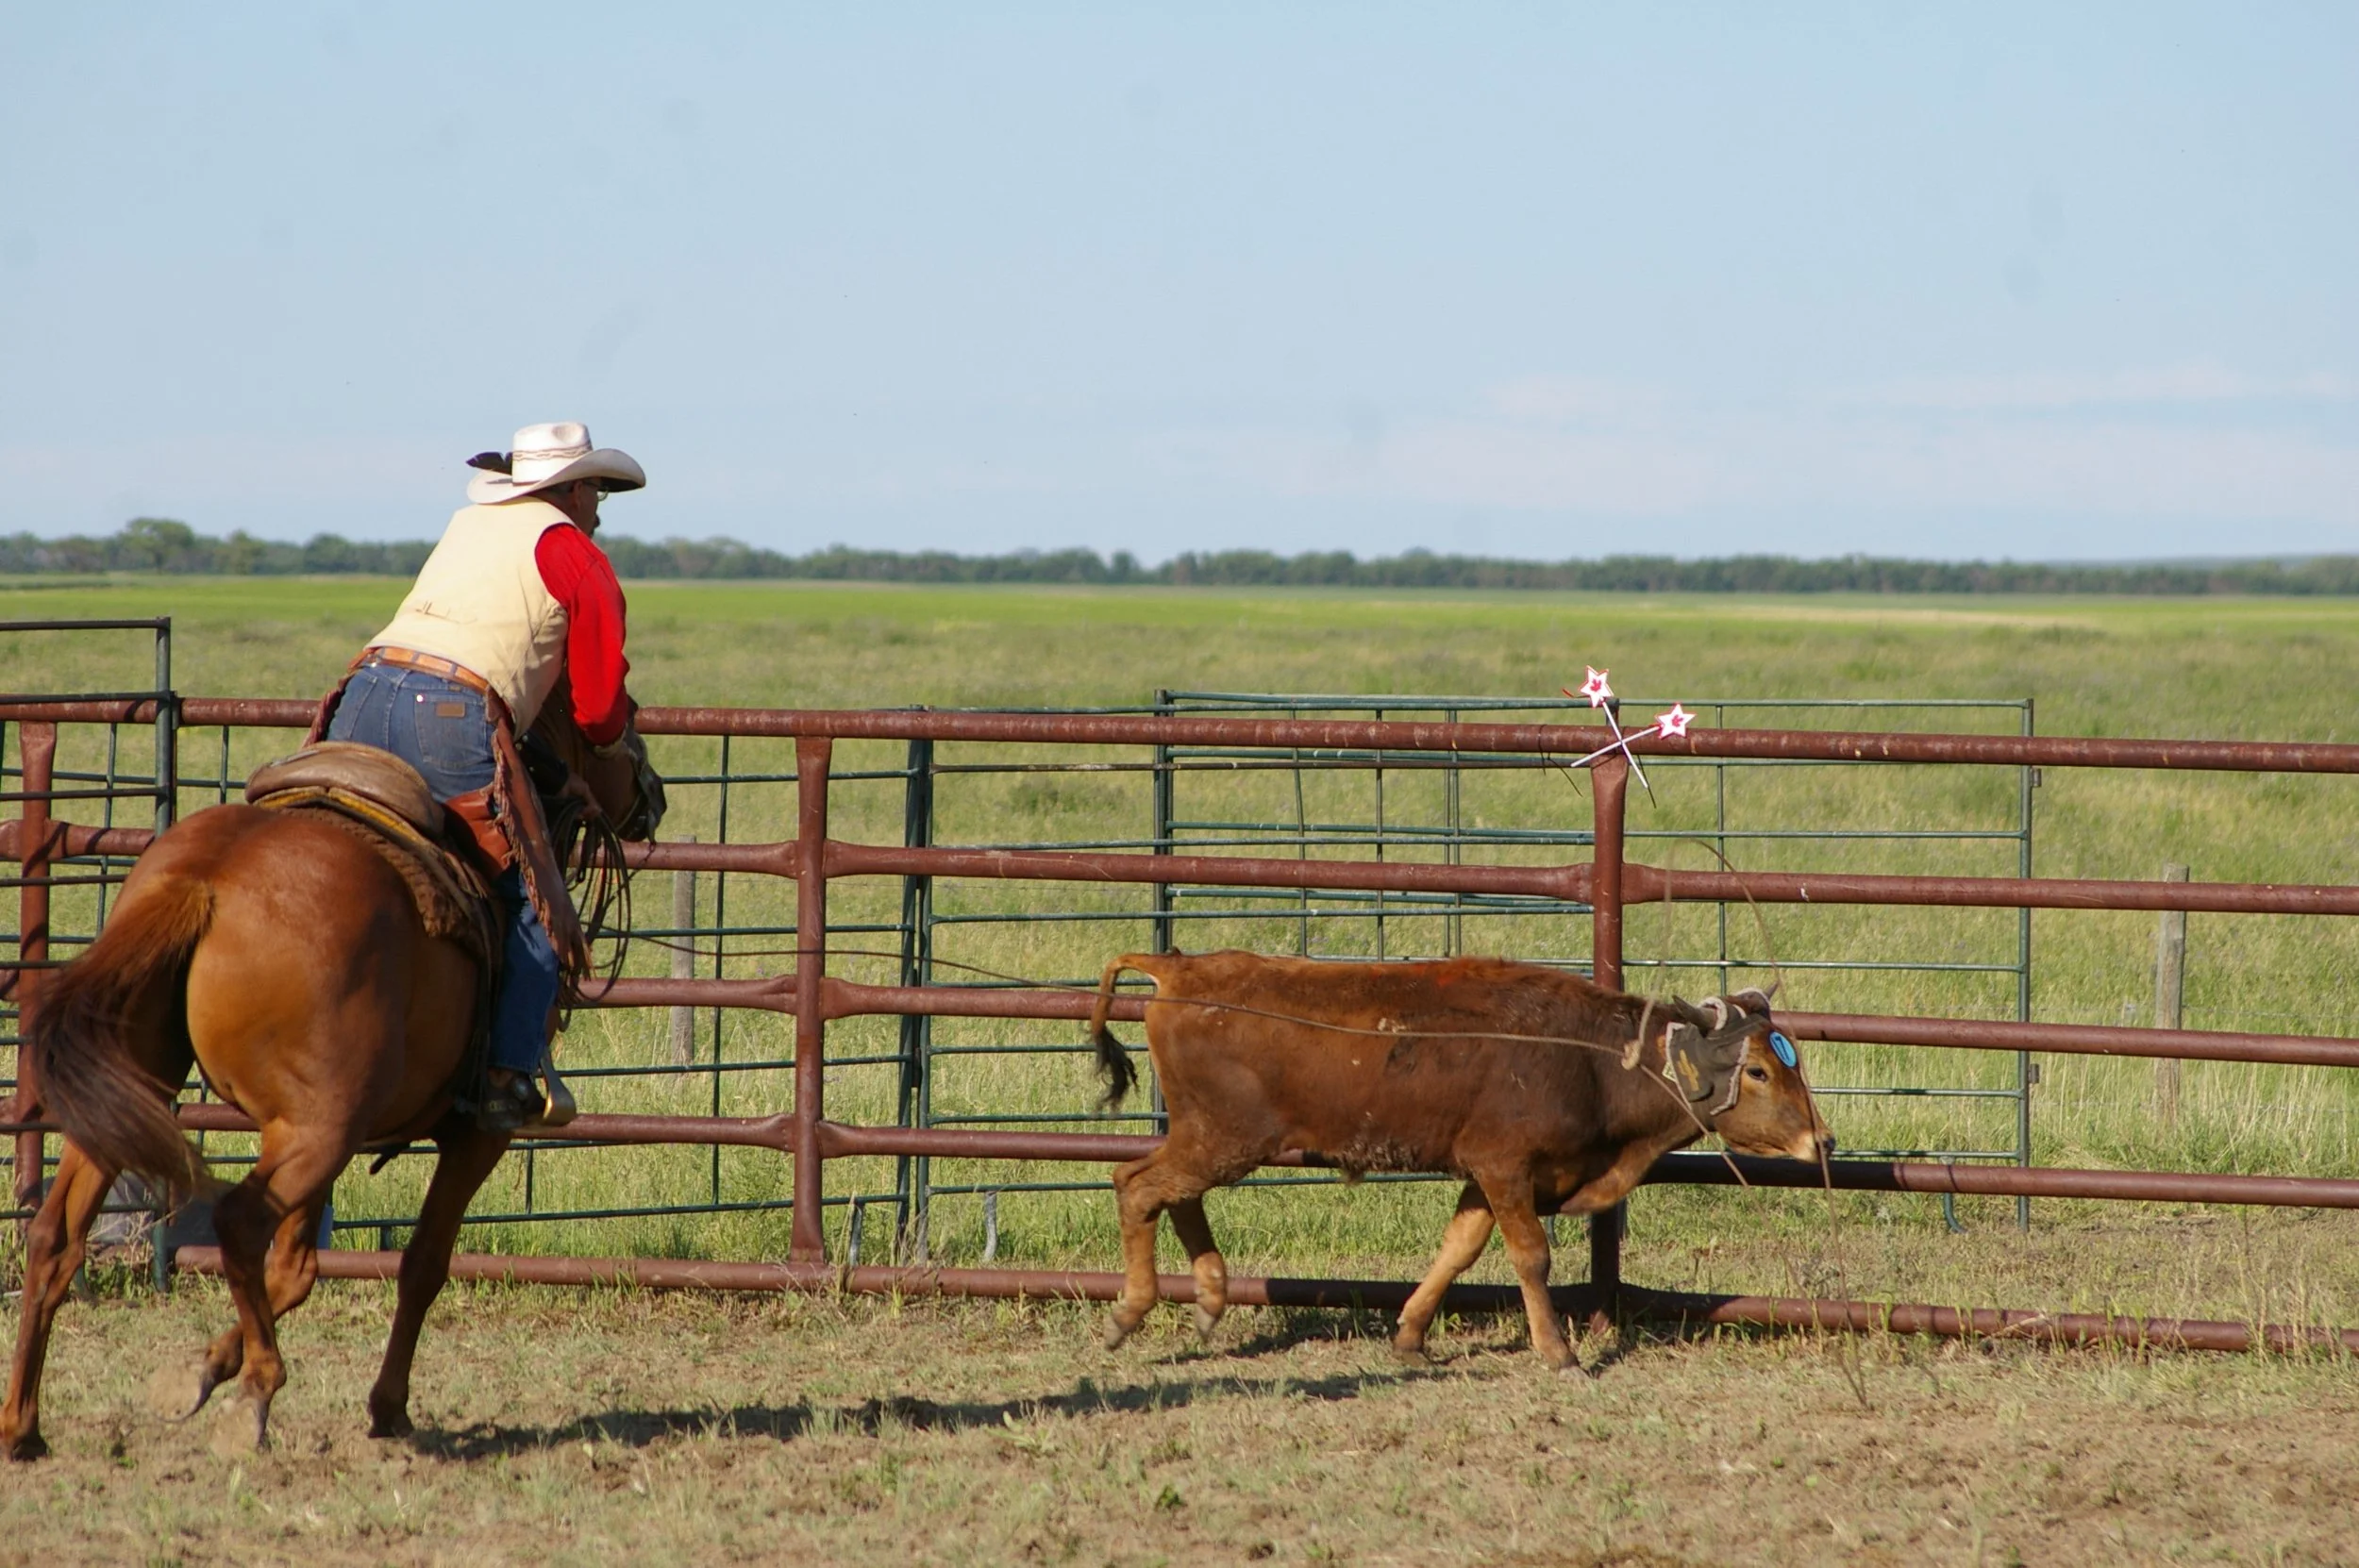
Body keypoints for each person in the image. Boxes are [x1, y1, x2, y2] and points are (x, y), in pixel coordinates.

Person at [325, 421, 644, 1129]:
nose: (599, 508)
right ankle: (507, 1076)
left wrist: (547, 767)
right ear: (575, 489)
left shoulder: (467, 525)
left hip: (362, 692)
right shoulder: (576, 555)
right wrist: (599, 756)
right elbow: (597, 711)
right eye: (597, 491)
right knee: (531, 898)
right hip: (452, 714)